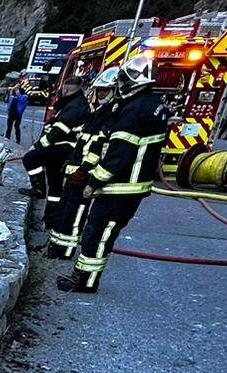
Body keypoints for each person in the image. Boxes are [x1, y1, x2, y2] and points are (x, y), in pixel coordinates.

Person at [58, 54, 171, 293]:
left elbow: (119, 153)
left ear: (132, 81)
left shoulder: (133, 110)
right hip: (132, 187)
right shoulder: (154, 106)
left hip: (120, 187)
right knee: (101, 234)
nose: (119, 86)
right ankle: (83, 276)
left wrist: (95, 179)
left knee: (97, 234)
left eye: (122, 80)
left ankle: (85, 282)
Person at [46, 68, 119, 259]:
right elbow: (83, 142)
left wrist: (85, 170)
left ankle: (66, 250)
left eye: (105, 90)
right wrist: (71, 163)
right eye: (99, 90)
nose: (101, 93)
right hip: (74, 168)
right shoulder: (97, 112)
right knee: (64, 211)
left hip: (85, 173)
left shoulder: (111, 116)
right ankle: (55, 247)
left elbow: (99, 149)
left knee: (75, 214)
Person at [21, 75, 89, 225]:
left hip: (64, 146)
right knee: (55, 181)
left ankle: (39, 190)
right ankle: (51, 217)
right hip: (65, 147)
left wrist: (38, 146)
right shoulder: (74, 103)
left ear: (65, 88)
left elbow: (59, 131)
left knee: (30, 159)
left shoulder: (74, 106)